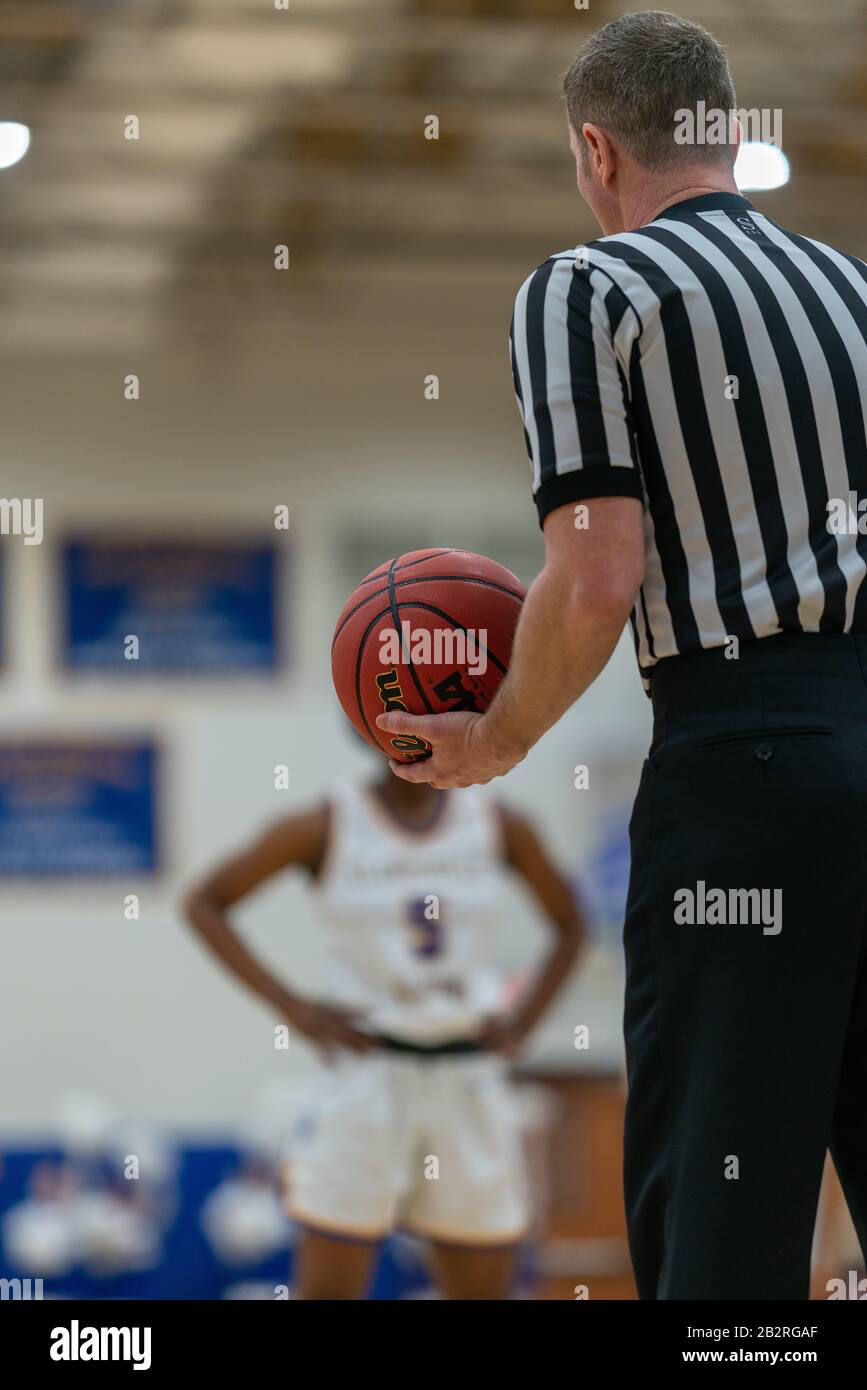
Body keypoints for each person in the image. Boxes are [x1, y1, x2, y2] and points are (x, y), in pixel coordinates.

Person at [375, 11, 867, 1299]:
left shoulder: (591, 287)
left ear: (598, 151)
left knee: (726, 1209)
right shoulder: (853, 287)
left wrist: (499, 735)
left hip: (746, 760)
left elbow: (595, 578)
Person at [183, 766, 583, 1299]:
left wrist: (524, 1022)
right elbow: (205, 902)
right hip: (368, 1070)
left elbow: (572, 921)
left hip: (466, 1072)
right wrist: (294, 1008)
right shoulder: (323, 823)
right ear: (364, 713)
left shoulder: (499, 823)